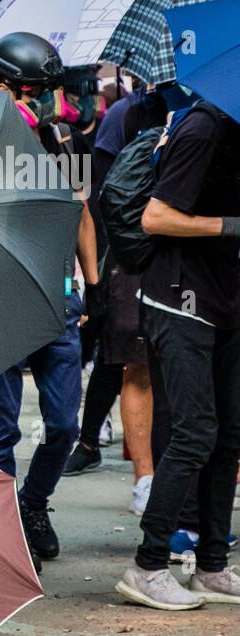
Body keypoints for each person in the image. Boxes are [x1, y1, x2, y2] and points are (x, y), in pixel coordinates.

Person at [114, 95, 240, 610]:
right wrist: (231, 225)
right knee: (195, 432)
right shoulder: (206, 127)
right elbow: (156, 217)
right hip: (178, 299)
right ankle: (147, 566)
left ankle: (210, 566)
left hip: (226, 299)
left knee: (228, 434)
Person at [0, 32, 100, 569]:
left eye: (43, 91)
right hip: (0, 299)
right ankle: (1, 527)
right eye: (27, 90)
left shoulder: (58, 139)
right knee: (0, 428)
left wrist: (90, 284)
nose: (36, 100)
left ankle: (32, 505)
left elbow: (79, 210)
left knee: (64, 426)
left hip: (57, 298)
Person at [63, 84, 167, 514]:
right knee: (130, 361)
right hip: (133, 256)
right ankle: (141, 474)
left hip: (197, 264)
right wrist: (94, 278)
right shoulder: (128, 113)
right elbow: (102, 198)